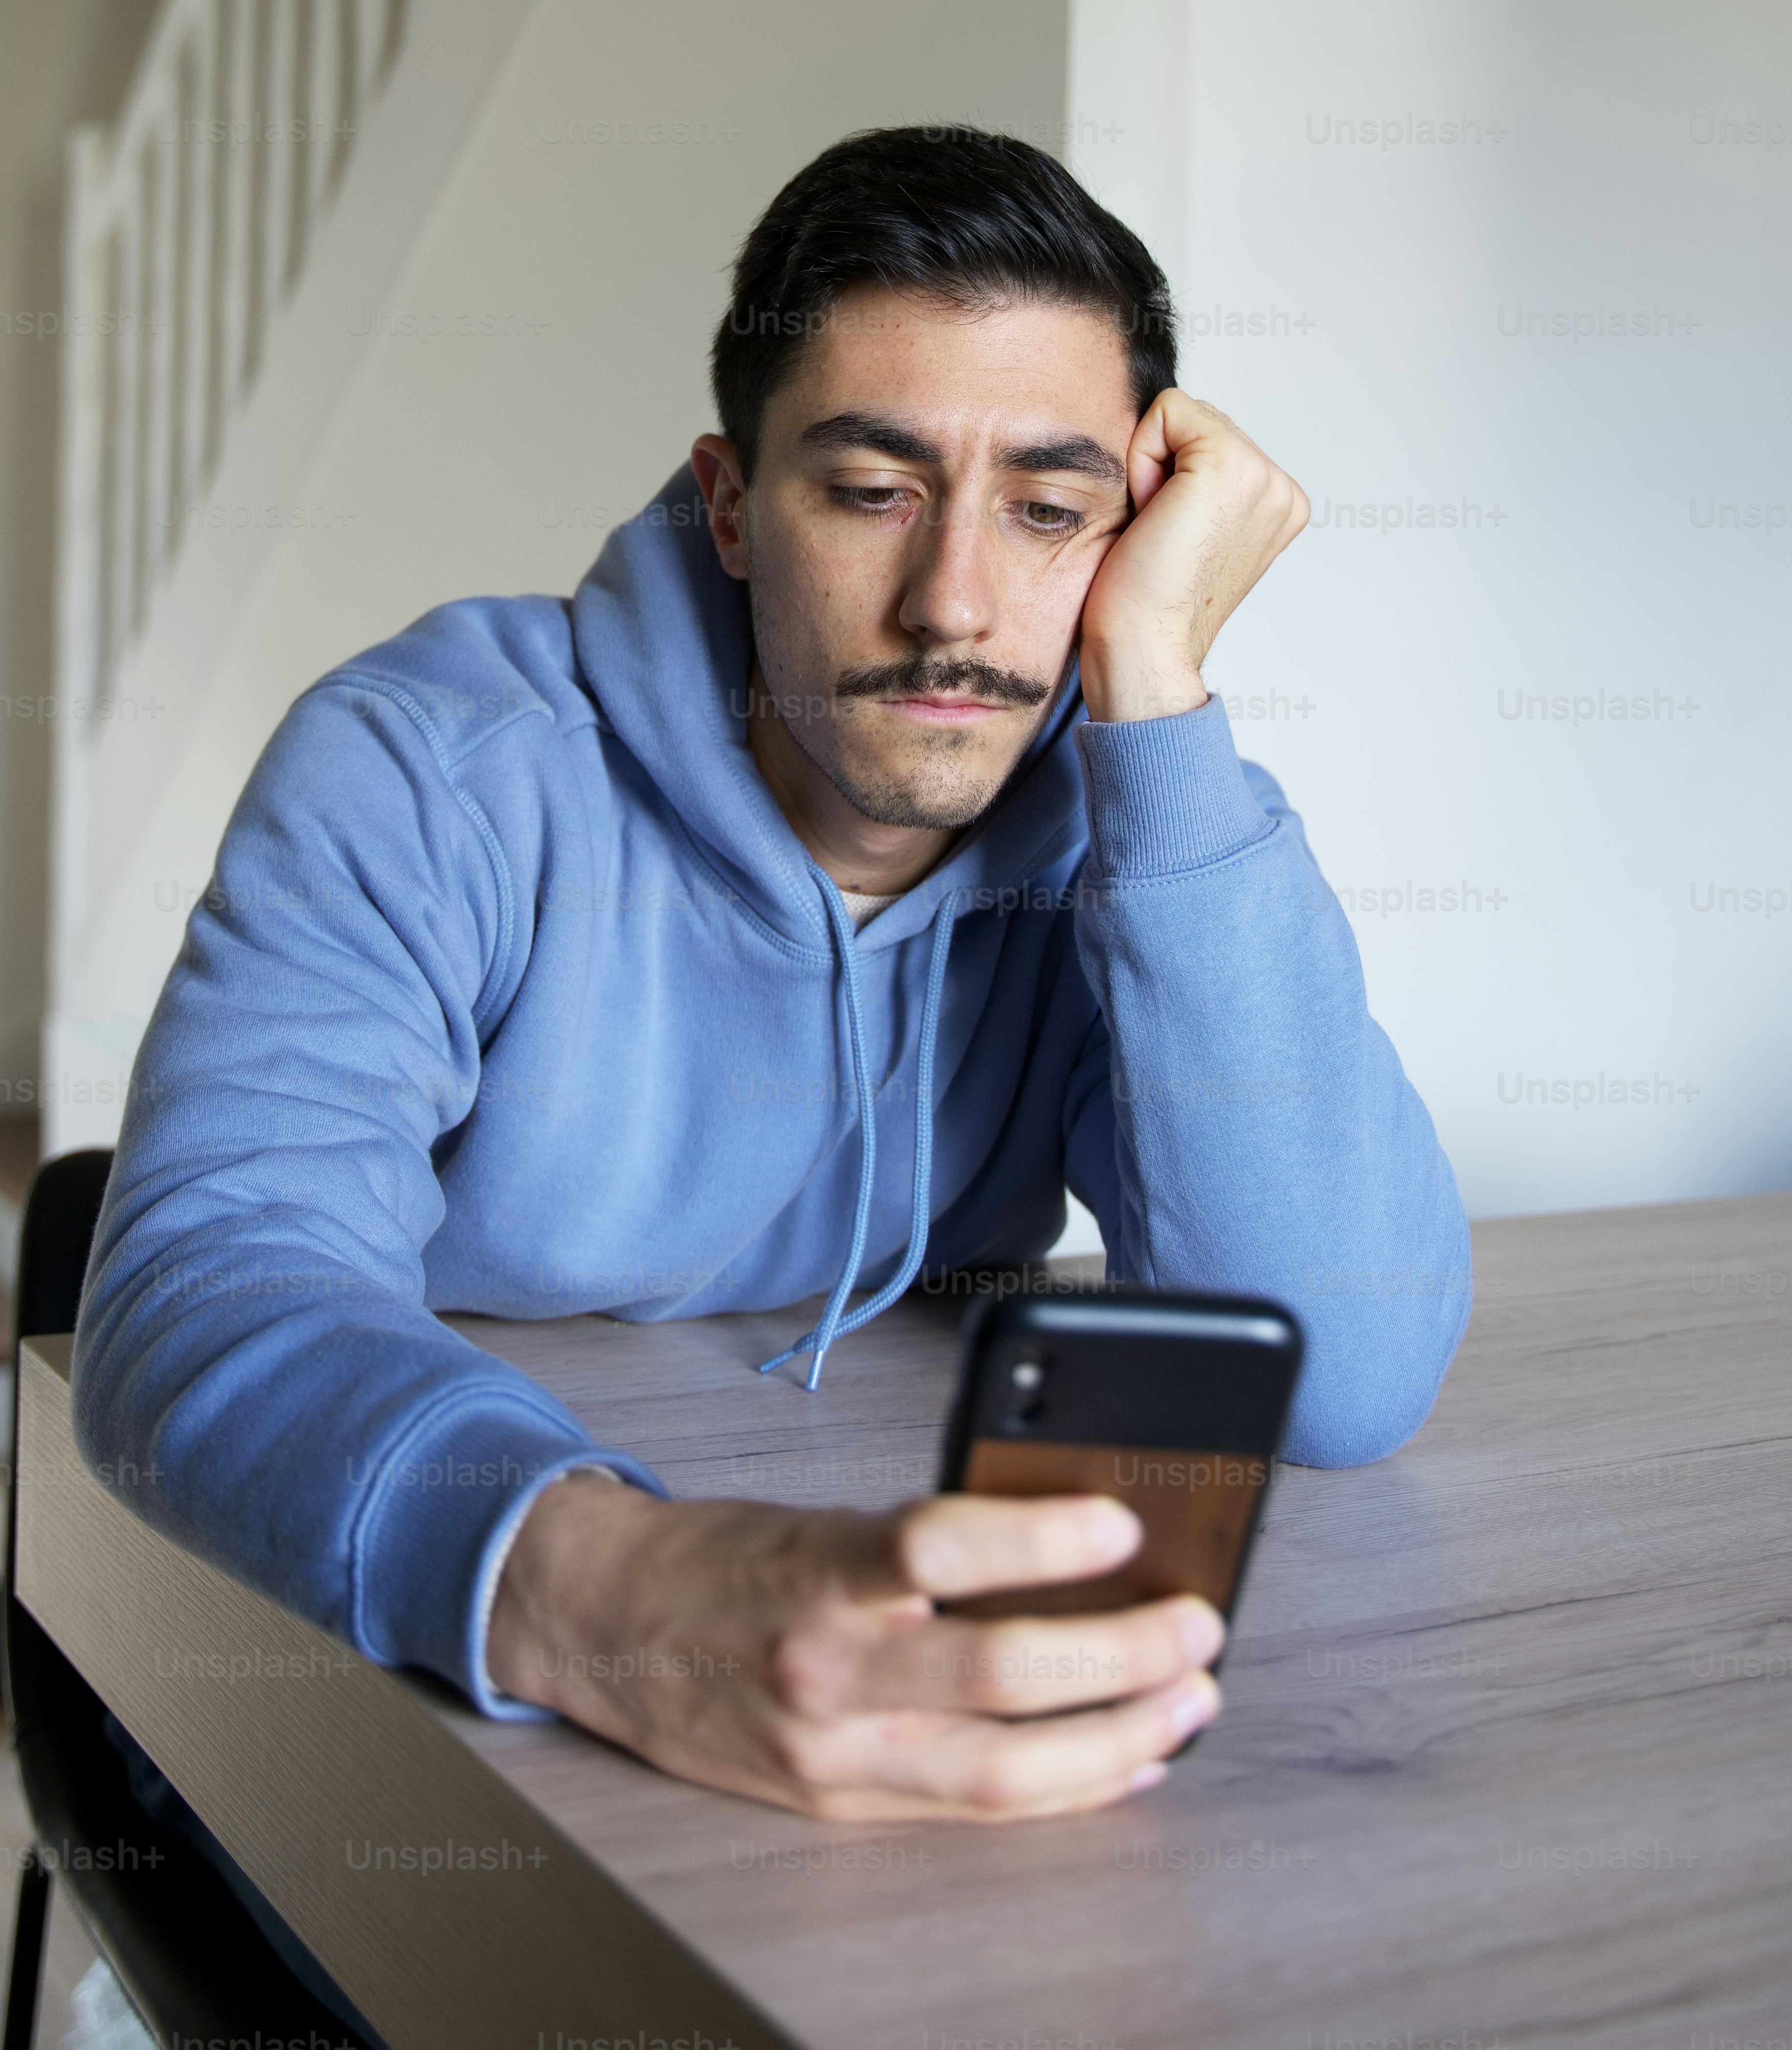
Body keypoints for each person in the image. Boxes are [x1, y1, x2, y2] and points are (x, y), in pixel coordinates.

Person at [74, 125, 1470, 1829]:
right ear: (732, 507)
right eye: (872, 491)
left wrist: (1159, 694)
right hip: (418, 1675)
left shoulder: (1124, 839)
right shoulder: (432, 764)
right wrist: (635, 1597)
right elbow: (204, 1283)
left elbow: (1334, 1373)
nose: (953, 600)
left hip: (881, 1677)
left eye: (1050, 511)